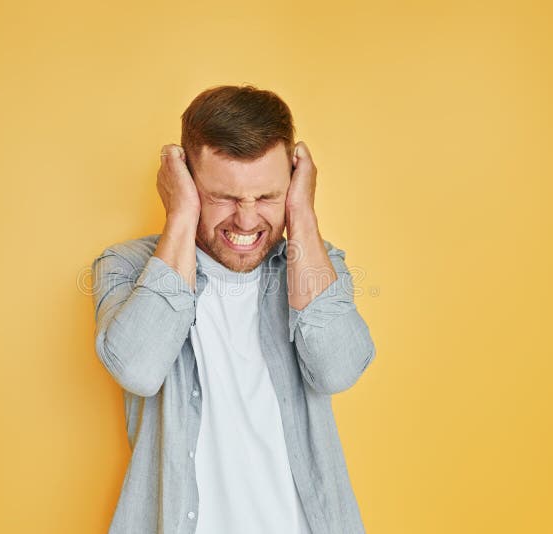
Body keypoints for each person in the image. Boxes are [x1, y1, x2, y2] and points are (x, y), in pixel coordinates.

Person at [90, 84, 377, 534]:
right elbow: (140, 369)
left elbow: (338, 370)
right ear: (183, 181)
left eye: (266, 198)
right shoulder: (126, 267)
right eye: (222, 197)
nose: (246, 220)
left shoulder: (315, 262)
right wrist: (181, 216)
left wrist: (301, 214)